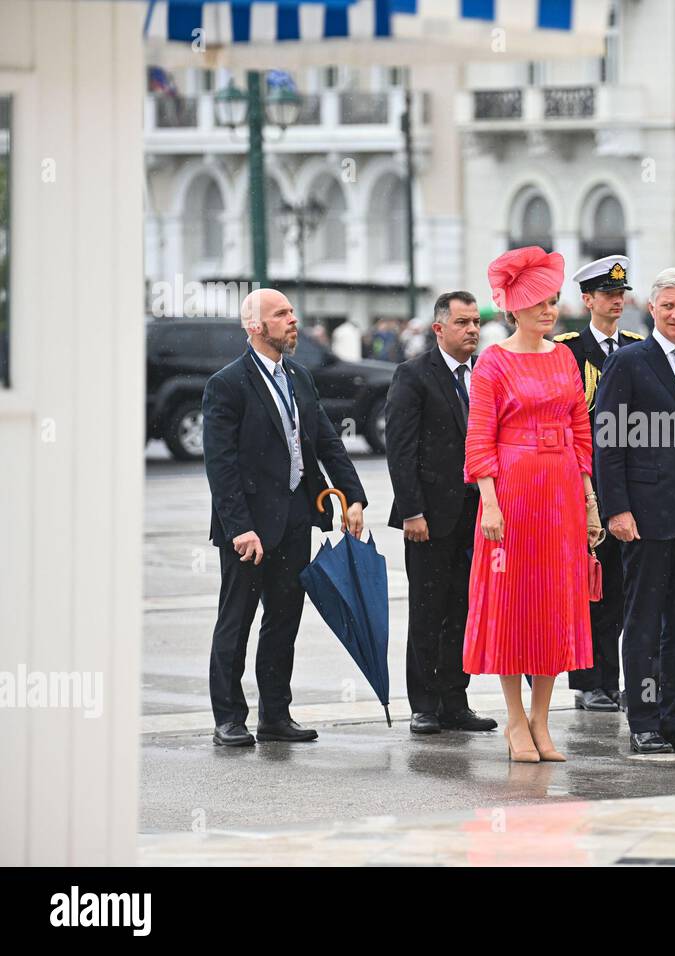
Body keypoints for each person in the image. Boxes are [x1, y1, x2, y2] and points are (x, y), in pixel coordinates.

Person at [203, 288, 367, 747]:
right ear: (255, 326)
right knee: (236, 621)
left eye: (292, 311)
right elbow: (221, 465)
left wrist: (352, 496)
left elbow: (326, 440)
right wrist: (240, 528)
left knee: (284, 620)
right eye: (281, 314)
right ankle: (229, 718)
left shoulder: (298, 375)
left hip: (296, 517)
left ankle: (275, 714)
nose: (293, 319)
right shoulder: (227, 384)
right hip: (250, 527)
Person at [462, 246, 604, 762]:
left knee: (553, 605)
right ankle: (514, 719)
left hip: (561, 492)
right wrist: (491, 504)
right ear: (515, 308)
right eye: (540, 302)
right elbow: (479, 440)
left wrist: (588, 500)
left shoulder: (565, 356)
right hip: (513, 495)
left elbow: (581, 430)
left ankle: (543, 720)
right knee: (510, 604)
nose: (551, 310)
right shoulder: (494, 363)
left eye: (553, 301)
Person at [594, 267, 675, 755]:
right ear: (652, 310)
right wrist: (617, 509)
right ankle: (644, 721)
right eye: (667, 306)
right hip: (646, 514)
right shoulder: (630, 362)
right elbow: (608, 442)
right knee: (645, 619)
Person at [385, 291, 498, 737]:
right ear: (439, 329)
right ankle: (424, 704)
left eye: (475, 322)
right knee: (428, 610)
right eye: (462, 322)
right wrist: (412, 510)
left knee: (465, 610)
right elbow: (401, 449)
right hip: (429, 518)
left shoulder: (484, 374)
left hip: (477, 515)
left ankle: (456, 700)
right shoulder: (413, 376)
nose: (472, 330)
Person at [554, 255, 645, 713]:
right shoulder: (567, 351)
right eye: (607, 295)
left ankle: (615, 678)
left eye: (620, 294)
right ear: (587, 300)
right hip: (582, 484)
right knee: (589, 586)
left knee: (626, 587)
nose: (617, 302)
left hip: (628, 483)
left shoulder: (636, 346)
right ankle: (589, 680)